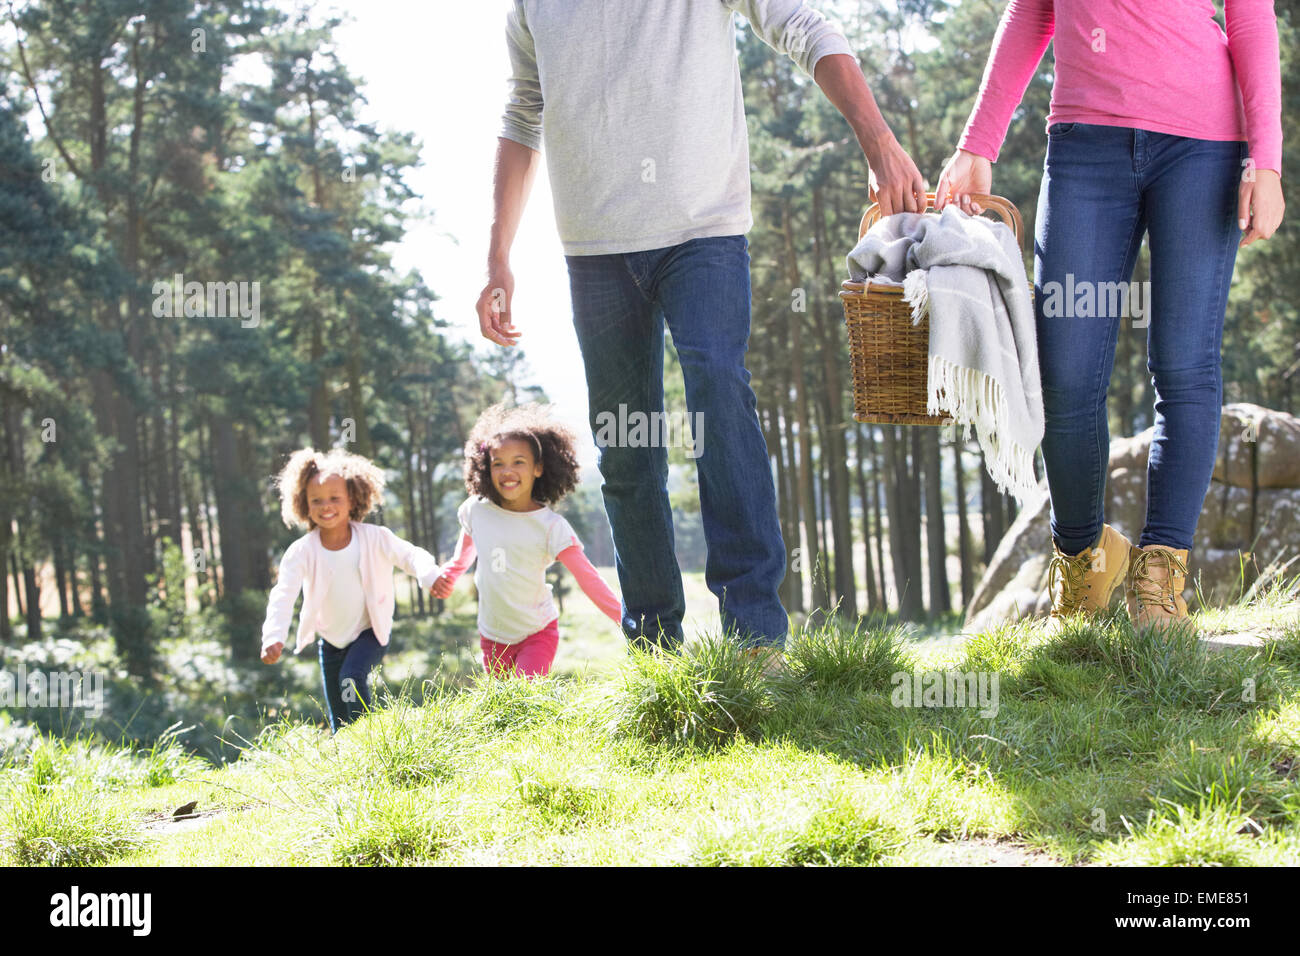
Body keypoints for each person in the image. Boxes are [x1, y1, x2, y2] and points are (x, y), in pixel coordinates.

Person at [478, 1, 926, 655]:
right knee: (627, 447)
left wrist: (879, 142)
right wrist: (498, 254)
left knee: (717, 390)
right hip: (595, 246)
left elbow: (805, 26)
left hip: (703, 230)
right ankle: (655, 642)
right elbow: (523, 110)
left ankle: (756, 634)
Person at [936, 0, 1285, 635]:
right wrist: (977, 141)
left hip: (1202, 145)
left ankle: (1158, 583)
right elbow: (1032, 11)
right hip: (1084, 147)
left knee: (1184, 364)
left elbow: (1251, 17)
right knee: (1064, 372)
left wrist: (1266, 161)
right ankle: (1083, 565)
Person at [431, 403, 624, 678]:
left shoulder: (550, 527)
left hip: (537, 633)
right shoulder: (477, 510)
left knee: (524, 698)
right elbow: (464, 553)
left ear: (538, 468)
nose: (507, 471)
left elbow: (587, 577)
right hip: (492, 636)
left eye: (518, 462)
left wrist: (624, 618)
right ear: (487, 468)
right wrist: (449, 574)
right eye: (498, 463)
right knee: (505, 711)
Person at [260, 449, 441, 732]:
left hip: (371, 633)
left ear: (353, 498)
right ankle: (349, 759)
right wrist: (274, 636)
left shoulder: (374, 538)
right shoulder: (302, 552)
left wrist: (430, 576)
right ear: (303, 504)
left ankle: (368, 746)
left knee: (351, 678)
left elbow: (410, 555)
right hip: (330, 641)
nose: (326, 506)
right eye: (316, 500)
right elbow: (283, 595)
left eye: (335, 498)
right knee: (340, 722)